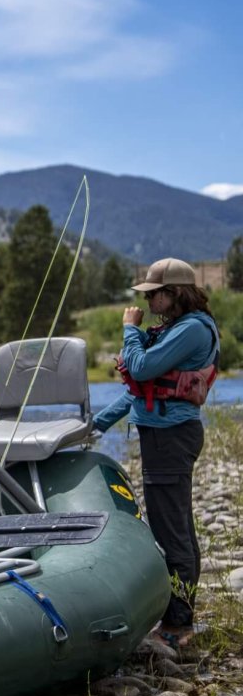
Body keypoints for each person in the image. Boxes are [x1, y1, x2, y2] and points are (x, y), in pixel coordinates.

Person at [92, 257, 221, 648]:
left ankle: (178, 623)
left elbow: (143, 368)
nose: (147, 301)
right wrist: (95, 425)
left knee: (171, 529)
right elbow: (140, 392)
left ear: (174, 294)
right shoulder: (176, 328)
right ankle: (179, 617)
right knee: (176, 524)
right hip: (163, 435)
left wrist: (129, 331)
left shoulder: (193, 330)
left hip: (170, 438)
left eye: (153, 294)